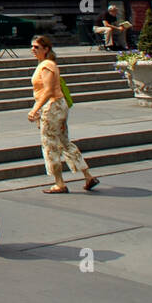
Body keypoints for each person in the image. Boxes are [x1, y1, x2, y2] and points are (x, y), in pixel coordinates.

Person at [26, 35, 97, 193]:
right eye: (32, 46)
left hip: (52, 107)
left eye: (36, 47)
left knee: (49, 145)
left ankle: (59, 183)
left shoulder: (46, 65)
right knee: (64, 143)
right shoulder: (46, 64)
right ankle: (88, 176)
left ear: (46, 49)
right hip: (57, 107)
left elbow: (49, 91)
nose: (33, 49)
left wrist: (34, 109)